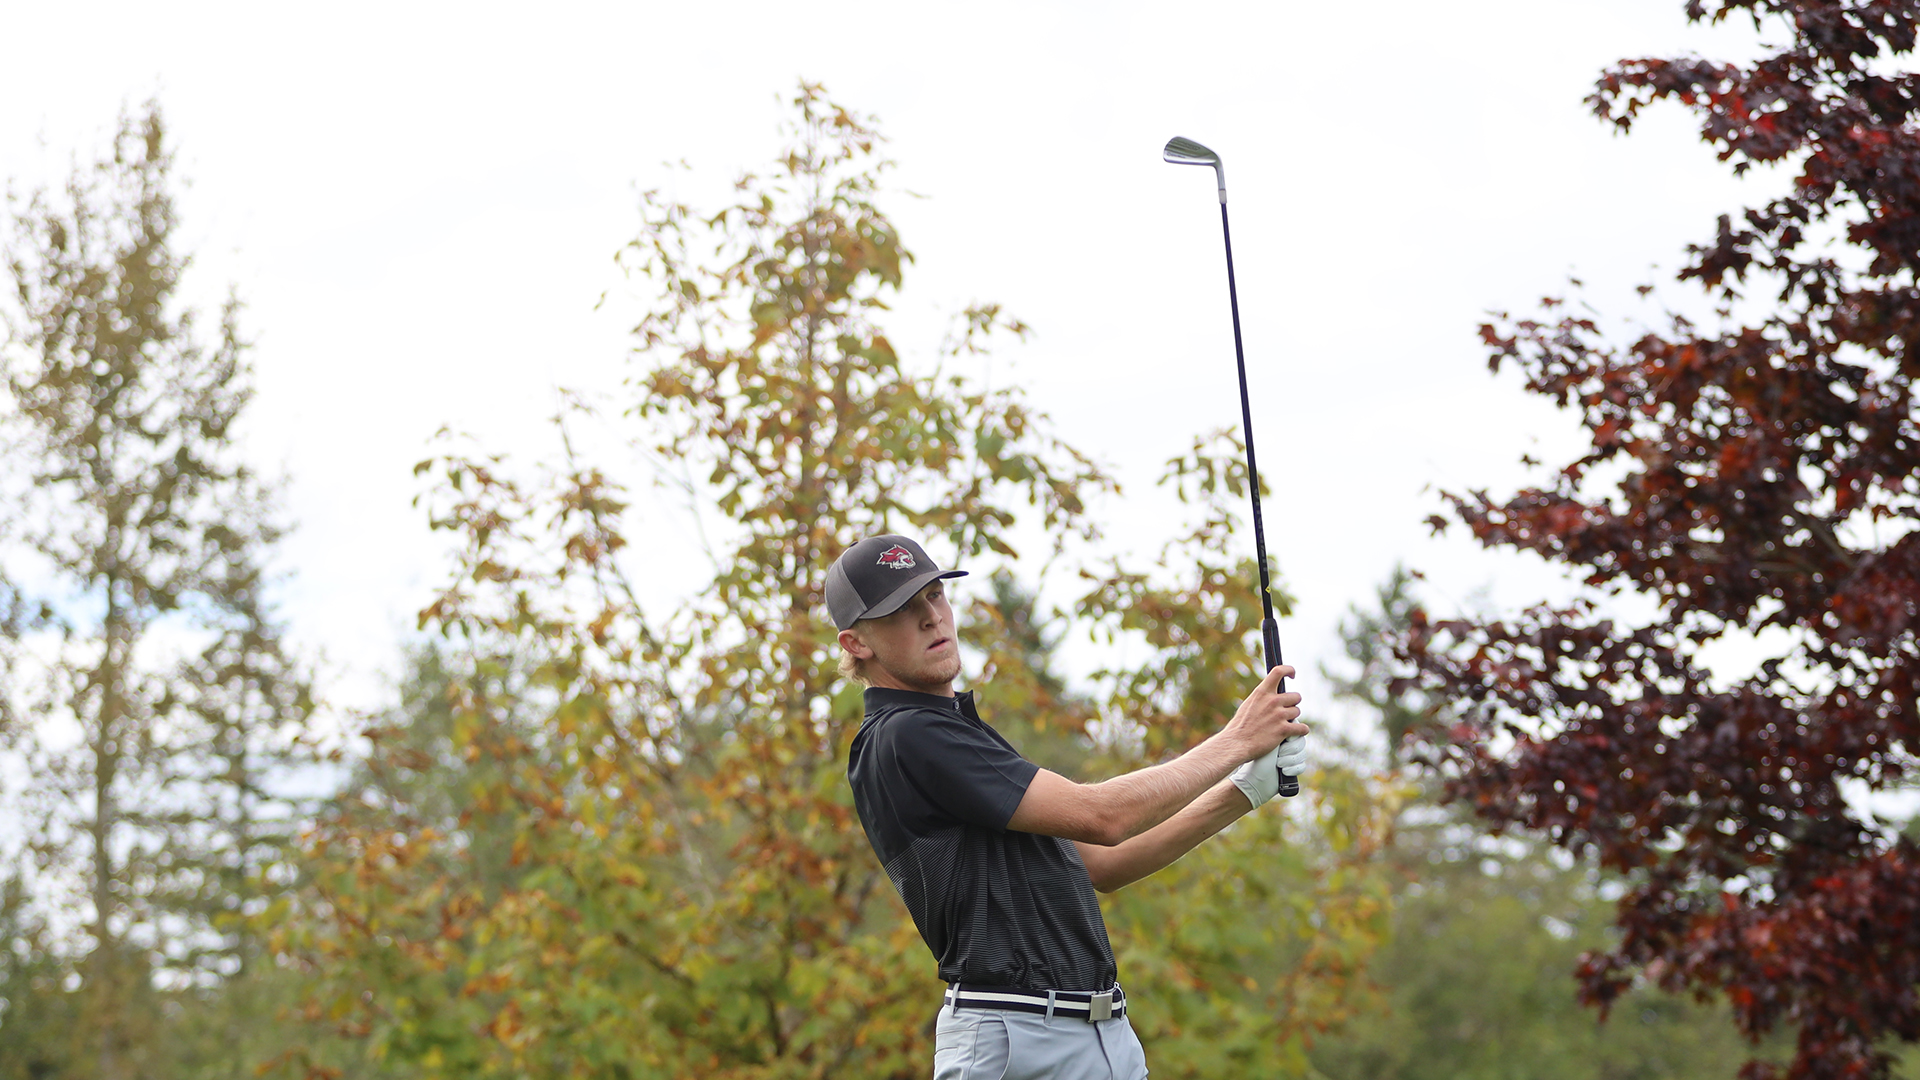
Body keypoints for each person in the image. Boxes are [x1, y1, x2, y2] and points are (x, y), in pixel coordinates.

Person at [828, 533, 1309, 1080]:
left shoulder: (955, 731)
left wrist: (1243, 790)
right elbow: (1103, 817)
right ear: (855, 644)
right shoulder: (905, 733)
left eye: (934, 596)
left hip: (1100, 1036)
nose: (931, 618)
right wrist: (1237, 740)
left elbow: (1100, 864)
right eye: (901, 612)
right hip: (1018, 1040)